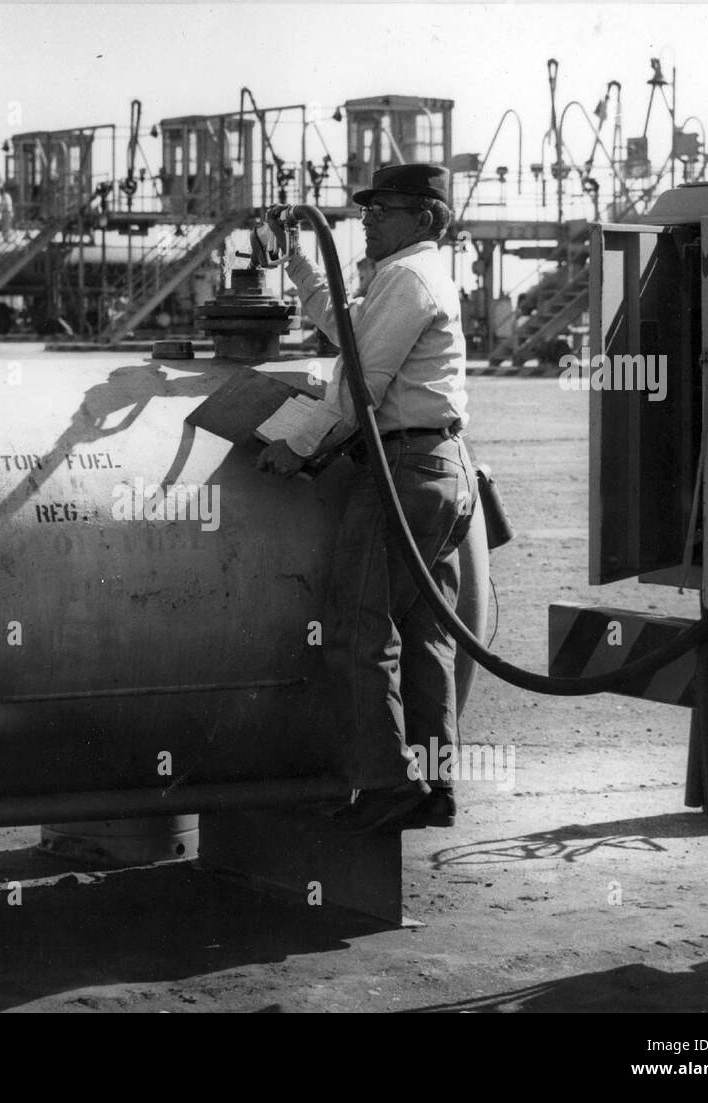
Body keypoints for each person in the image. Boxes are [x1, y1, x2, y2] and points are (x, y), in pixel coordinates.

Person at [256, 164, 478, 833]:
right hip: (438, 468)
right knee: (427, 631)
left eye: (383, 208)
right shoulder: (409, 277)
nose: (368, 218)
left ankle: (383, 784)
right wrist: (295, 258)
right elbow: (346, 326)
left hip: (402, 470)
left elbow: (360, 382)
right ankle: (434, 786)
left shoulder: (409, 278)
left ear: (424, 218)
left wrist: (296, 444)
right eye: (367, 208)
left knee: (360, 627)